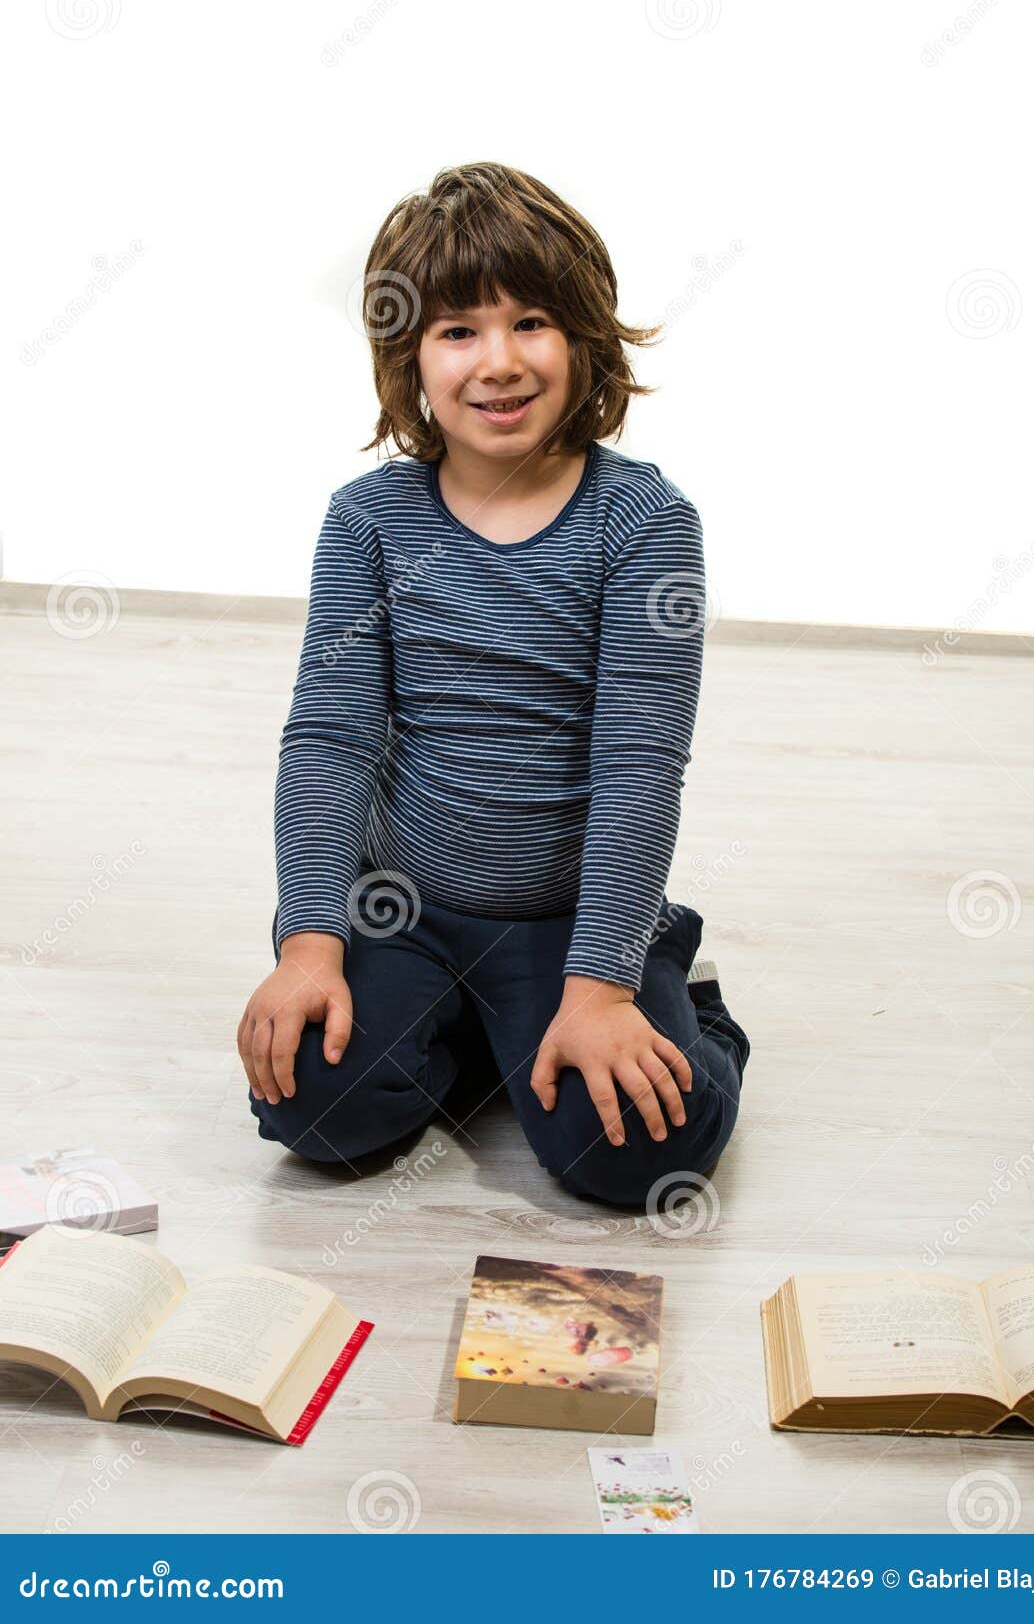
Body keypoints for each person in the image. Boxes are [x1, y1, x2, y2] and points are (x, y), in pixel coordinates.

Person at [236, 162, 750, 1208]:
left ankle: (687, 1001)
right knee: (311, 1112)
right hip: (407, 904)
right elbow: (329, 740)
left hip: (573, 916)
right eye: (459, 331)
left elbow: (640, 764)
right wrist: (311, 939)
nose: (500, 362)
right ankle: (480, 1032)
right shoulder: (368, 522)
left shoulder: (646, 525)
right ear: (410, 356)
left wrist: (603, 985)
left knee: (635, 1155)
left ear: (584, 339)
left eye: (531, 323)